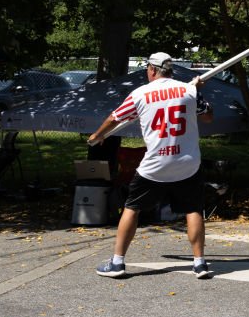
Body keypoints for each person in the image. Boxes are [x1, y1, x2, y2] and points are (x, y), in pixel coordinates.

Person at [87, 52, 214, 279]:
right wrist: (197, 92)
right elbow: (208, 117)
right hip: (187, 163)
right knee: (193, 209)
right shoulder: (189, 90)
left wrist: (97, 135)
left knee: (132, 207)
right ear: (170, 70)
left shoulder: (140, 94)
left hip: (155, 165)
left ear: (152, 69)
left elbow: (115, 117)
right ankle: (200, 263)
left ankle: (117, 263)